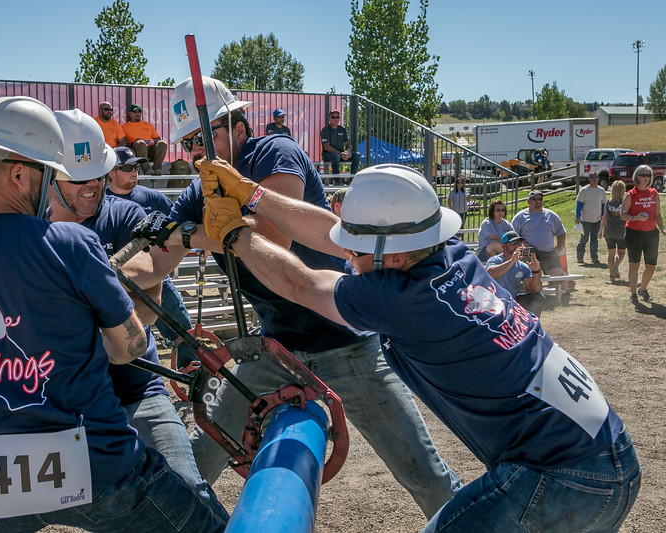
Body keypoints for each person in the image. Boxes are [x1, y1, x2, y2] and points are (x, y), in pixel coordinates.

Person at [197, 161, 640, 532]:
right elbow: (337, 232)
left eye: (357, 252)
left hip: (564, 477)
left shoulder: (402, 300)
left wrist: (236, 234)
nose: (347, 257)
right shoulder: (449, 255)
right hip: (611, 454)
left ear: (394, 256)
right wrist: (253, 195)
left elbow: (298, 282)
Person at [129, 76, 461, 519]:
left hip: (348, 344)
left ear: (238, 126)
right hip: (275, 351)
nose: (194, 153)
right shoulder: (198, 192)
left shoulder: (273, 153)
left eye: (201, 138)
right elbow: (157, 259)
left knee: (424, 472)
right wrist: (110, 281)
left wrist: (195, 235)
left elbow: (272, 239)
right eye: (188, 144)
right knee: (199, 459)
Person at [0, 96, 228, 532]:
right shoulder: (67, 242)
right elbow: (130, 347)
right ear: (19, 173)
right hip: (100, 467)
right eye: (49, 173)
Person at [50, 109, 221, 508]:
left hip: (137, 387)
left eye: (98, 174)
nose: (92, 185)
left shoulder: (122, 212)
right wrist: (109, 297)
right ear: (49, 175)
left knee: (189, 491)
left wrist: (71, 293)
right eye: (79, 178)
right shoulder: (30, 224)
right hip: (61, 403)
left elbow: (148, 269)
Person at [106, 146, 195, 369]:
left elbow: (177, 225)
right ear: (111, 174)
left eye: (135, 167)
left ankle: (190, 369)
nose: (134, 171)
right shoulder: (101, 203)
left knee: (181, 325)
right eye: (126, 168)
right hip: (116, 281)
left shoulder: (153, 198)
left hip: (155, 277)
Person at [620, 165, 666, 304]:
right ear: (637, 177)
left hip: (651, 234)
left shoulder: (654, 193)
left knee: (651, 265)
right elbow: (623, 215)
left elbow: (657, 215)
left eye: (648, 175)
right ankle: (633, 293)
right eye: (643, 175)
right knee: (634, 264)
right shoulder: (631, 194)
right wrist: (636, 218)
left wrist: (663, 229)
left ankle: (643, 289)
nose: (646, 178)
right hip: (634, 233)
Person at [485, 231, 544, 316]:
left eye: (519, 242)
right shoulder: (495, 260)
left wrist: (535, 271)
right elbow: (490, 273)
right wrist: (511, 261)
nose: (517, 245)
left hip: (512, 301)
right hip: (494, 301)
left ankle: (531, 327)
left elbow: (534, 290)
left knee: (537, 297)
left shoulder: (523, 266)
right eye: (513, 243)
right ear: (503, 246)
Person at [511, 189, 567, 277]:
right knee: (533, 275)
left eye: (540, 199)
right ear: (528, 201)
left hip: (547, 253)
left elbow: (561, 232)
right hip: (528, 253)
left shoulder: (551, 215)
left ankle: (562, 289)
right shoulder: (520, 217)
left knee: (560, 275)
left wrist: (560, 246)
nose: (538, 201)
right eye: (535, 199)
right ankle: (535, 289)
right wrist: (524, 247)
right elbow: (514, 237)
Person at [122, 104, 168, 176]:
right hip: (135, 151)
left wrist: (153, 142)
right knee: (141, 143)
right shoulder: (125, 127)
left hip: (150, 149)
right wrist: (133, 142)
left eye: (139, 111)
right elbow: (123, 143)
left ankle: (157, 169)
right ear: (130, 114)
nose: (137, 114)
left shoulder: (148, 125)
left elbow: (157, 139)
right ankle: (146, 170)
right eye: (135, 112)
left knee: (162, 143)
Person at [599, 180, 627, 283]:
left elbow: (604, 217)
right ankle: (616, 265)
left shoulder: (608, 202)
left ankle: (611, 275)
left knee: (611, 254)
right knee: (622, 253)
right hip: (621, 231)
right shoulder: (624, 202)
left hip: (609, 231)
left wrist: (600, 230)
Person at [575, 172, 606, 264]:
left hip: (597, 220)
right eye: (593, 178)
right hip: (585, 219)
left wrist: (602, 215)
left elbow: (603, 204)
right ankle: (580, 257)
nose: (595, 179)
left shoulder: (601, 190)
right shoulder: (584, 190)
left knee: (594, 240)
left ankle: (594, 257)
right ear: (589, 179)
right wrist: (577, 216)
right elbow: (579, 204)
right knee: (584, 239)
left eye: (596, 178)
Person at [320, 110, 360, 175]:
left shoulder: (342, 129)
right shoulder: (325, 130)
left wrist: (348, 151)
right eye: (333, 117)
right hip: (328, 154)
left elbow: (348, 143)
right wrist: (340, 154)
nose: (336, 119)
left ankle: (352, 178)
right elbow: (326, 147)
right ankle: (337, 180)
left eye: (337, 117)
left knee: (356, 156)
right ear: (329, 118)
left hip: (341, 154)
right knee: (336, 156)